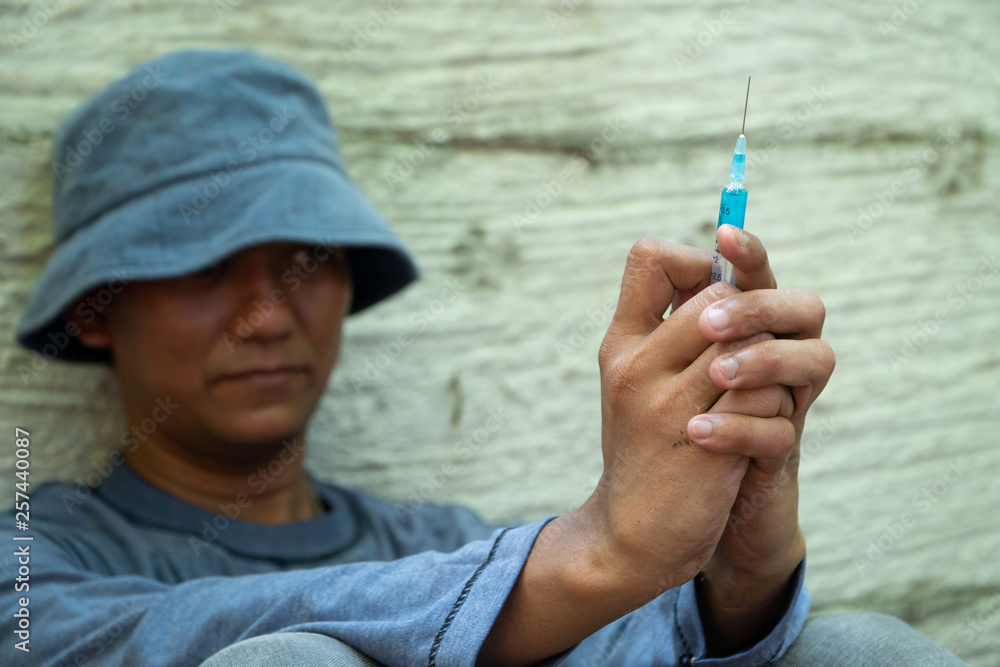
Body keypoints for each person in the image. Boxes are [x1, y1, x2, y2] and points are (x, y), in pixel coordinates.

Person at [3, 48, 965, 667]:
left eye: (306, 259)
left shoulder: (440, 542)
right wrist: (592, 555)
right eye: (201, 267)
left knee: (856, 647)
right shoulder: (36, 560)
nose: (267, 317)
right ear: (97, 308)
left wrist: (737, 571)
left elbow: (631, 640)